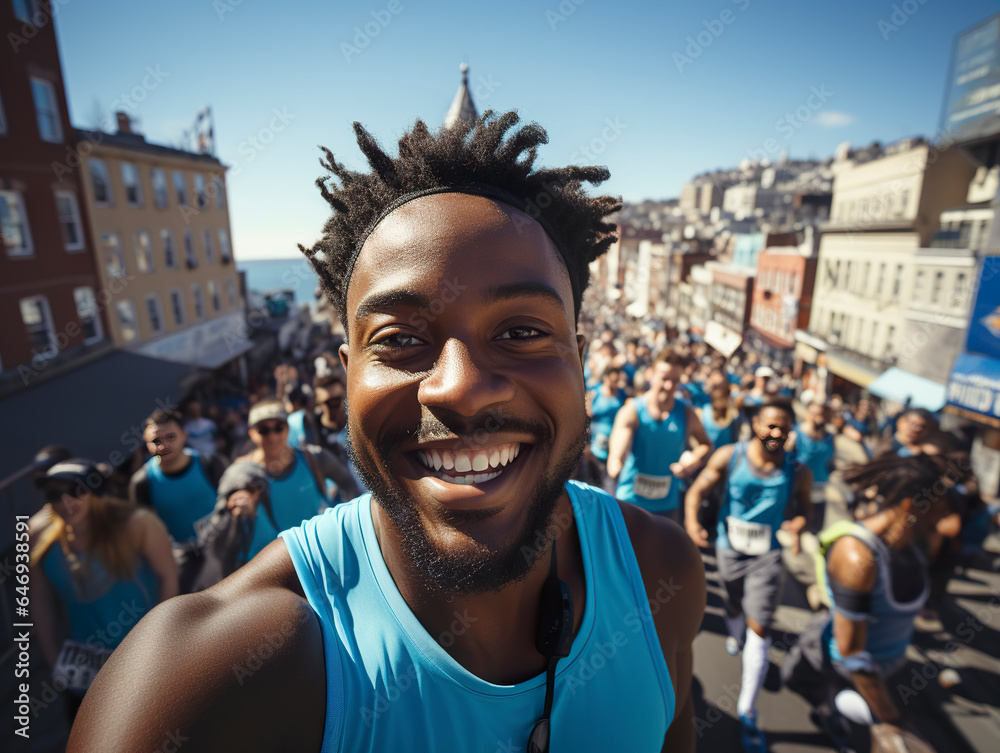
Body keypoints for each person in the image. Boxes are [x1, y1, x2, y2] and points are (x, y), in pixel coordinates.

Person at [70, 110, 706, 753]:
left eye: (521, 332)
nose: (459, 388)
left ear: (579, 356)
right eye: (400, 339)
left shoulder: (659, 572)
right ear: (346, 379)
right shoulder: (202, 685)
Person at [782, 454, 955, 753]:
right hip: (844, 671)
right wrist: (890, 718)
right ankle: (835, 713)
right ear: (910, 507)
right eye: (939, 512)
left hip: (892, 669)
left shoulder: (914, 545)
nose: (946, 522)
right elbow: (852, 652)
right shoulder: (856, 556)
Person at [684, 397, 813, 753]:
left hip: (767, 557)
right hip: (729, 549)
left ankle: (747, 710)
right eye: (770, 425)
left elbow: (806, 510)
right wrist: (693, 523)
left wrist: (798, 524)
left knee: (762, 625)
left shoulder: (798, 470)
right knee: (733, 603)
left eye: (783, 427)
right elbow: (697, 491)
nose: (776, 432)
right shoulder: (730, 456)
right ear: (756, 425)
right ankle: (735, 626)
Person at [30, 459, 178, 718]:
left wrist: (162, 645)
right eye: (55, 493)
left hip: (144, 661)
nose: (66, 501)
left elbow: (168, 576)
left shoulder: (137, 525)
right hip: (84, 673)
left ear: (95, 493)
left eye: (76, 491)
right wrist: (53, 659)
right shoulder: (43, 545)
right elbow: (39, 599)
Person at [607, 347, 713, 521]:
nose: (669, 386)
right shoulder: (633, 410)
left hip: (666, 508)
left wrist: (694, 459)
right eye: (664, 378)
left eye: (675, 380)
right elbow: (619, 445)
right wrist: (616, 460)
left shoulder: (686, 412)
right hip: (630, 502)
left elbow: (706, 445)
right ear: (650, 374)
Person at [130, 409, 227, 546]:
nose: (163, 446)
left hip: (229, 546)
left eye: (170, 437)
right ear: (146, 443)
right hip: (188, 561)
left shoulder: (210, 463)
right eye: (156, 441)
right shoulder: (142, 483)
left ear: (184, 435)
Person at [311, 366, 365, 500]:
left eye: (338, 400)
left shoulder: (358, 420)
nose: (336, 406)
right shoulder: (311, 430)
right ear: (318, 400)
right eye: (329, 403)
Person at [787, 399, 836, 528]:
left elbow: (831, 463)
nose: (820, 418)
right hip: (798, 491)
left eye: (824, 415)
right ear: (808, 413)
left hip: (819, 492)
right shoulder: (795, 434)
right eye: (816, 414)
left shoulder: (830, 437)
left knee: (815, 528)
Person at [587, 364, 624, 492]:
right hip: (592, 447)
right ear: (606, 378)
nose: (615, 383)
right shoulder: (594, 392)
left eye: (617, 380)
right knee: (590, 483)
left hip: (611, 446)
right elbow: (586, 414)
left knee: (608, 486)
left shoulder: (621, 395)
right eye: (613, 380)